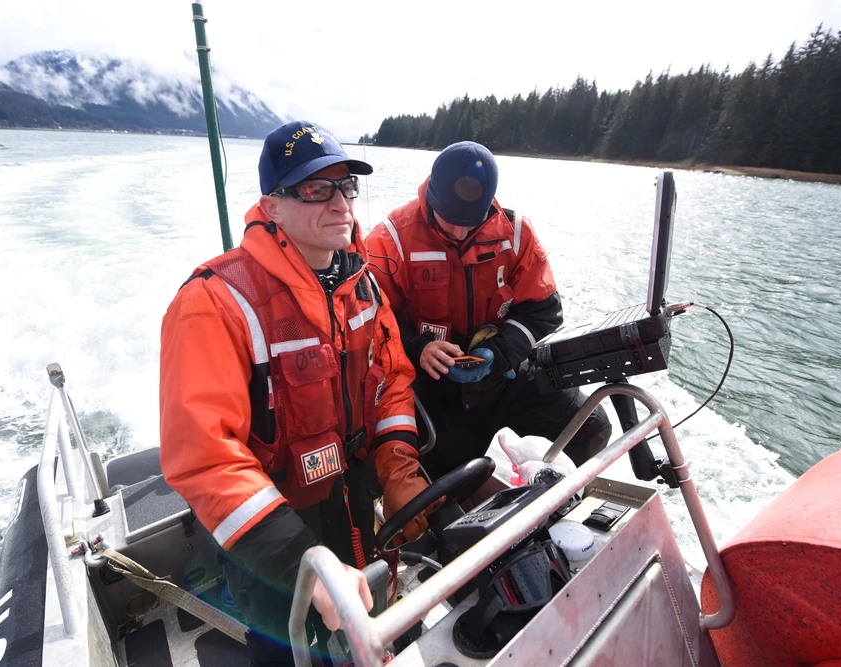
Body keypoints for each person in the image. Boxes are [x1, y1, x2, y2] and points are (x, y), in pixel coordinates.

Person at [159, 120, 432, 666]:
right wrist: (302, 558)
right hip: (272, 532)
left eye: (346, 187)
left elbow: (393, 379)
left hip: (355, 507)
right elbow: (205, 456)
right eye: (316, 188)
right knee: (283, 649)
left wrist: (398, 468)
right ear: (273, 205)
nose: (340, 204)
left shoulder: (364, 285)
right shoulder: (214, 303)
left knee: (372, 628)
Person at [366, 141, 612, 480]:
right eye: (449, 220)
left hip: (503, 375)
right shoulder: (389, 239)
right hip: (434, 388)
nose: (459, 232)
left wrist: (498, 353)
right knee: (448, 480)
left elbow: (544, 311)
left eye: (472, 222)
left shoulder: (517, 233)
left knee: (591, 425)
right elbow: (372, 322)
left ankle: (556, 507)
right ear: (429, 197)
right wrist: (418, 348)